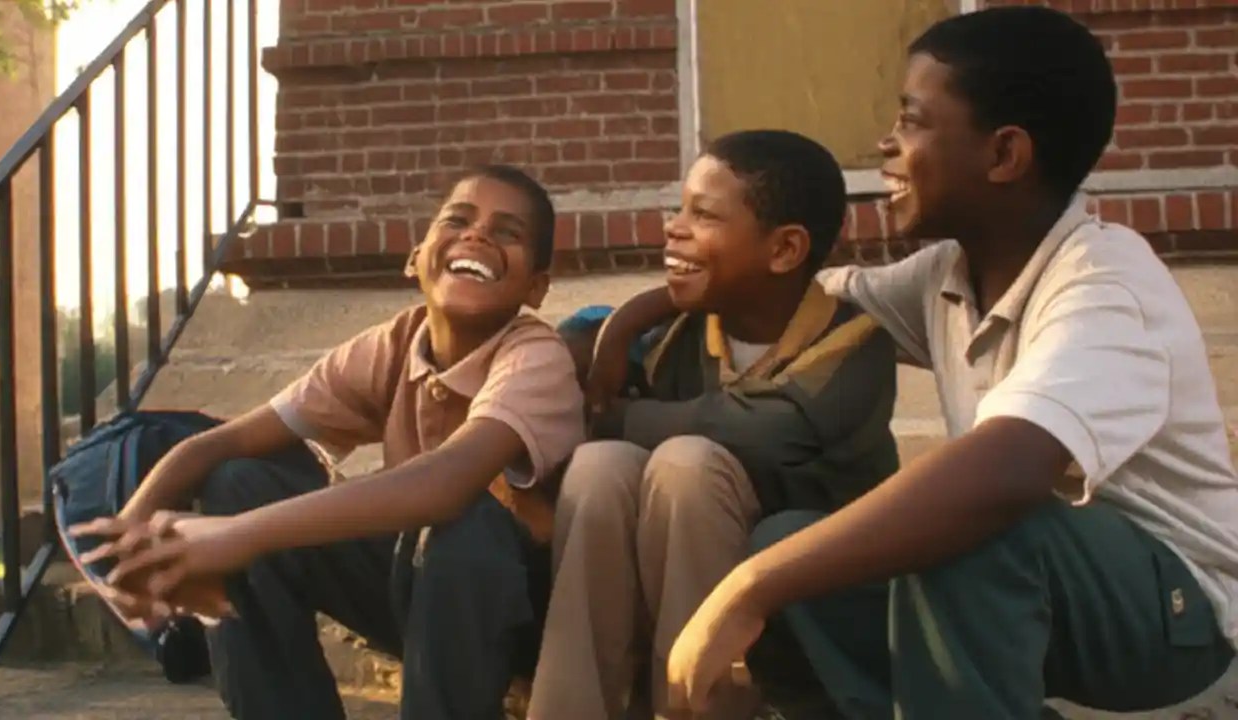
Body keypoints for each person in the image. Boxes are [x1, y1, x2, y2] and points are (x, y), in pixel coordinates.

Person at [666, 7, 1238, 719]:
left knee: (967, 527)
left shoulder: (1105, 285)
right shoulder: (943, 276)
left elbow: (1007, 470)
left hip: (1178, 627)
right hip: (1041, 597)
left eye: (911, 121)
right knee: (795, 542)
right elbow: (785, 294)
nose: (886, 143)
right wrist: (634, 312)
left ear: (1004, 155)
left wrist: (751, 585)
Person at [74, 165, 586, 720]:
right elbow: (220, 443)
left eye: (507, 231)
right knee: (240, 480)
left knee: (465, 521)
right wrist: (127, 543)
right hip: (421, 597)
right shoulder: (393, 345)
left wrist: (236, 536)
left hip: (525, 619)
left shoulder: (535, 356)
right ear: (415, 257)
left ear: (537, 286)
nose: (477, 235)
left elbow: (444, 484)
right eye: (457, 220)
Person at [528, 130, 900, 720]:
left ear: (784, 250)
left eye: (703, 215)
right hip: (671, 596)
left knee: (687, 465)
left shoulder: (855, 343)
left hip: (806, 611)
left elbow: (769, 432)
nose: (674, 227)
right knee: (602, 468)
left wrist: (622, 415)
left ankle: (700, 708)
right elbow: (585, 386)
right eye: (680, 208)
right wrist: (625, 323)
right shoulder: (679, 336)